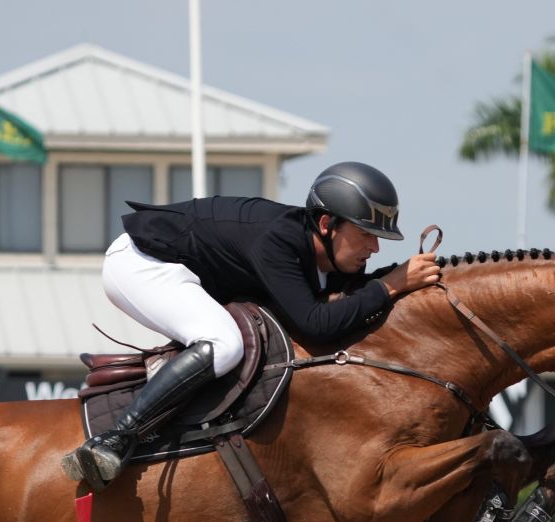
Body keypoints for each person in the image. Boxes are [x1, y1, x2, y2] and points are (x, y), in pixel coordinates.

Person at [62, 161, 442, 488]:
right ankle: (114, 440)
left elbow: (349, 302)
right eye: (365, 234)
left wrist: (392, 284)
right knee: (224, 344)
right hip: (140, 264)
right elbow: (317, 324)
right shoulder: (277, 241)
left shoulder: (316, 253)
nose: (374, 248)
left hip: (180, 268)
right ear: (327, 224)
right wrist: (392, 284)